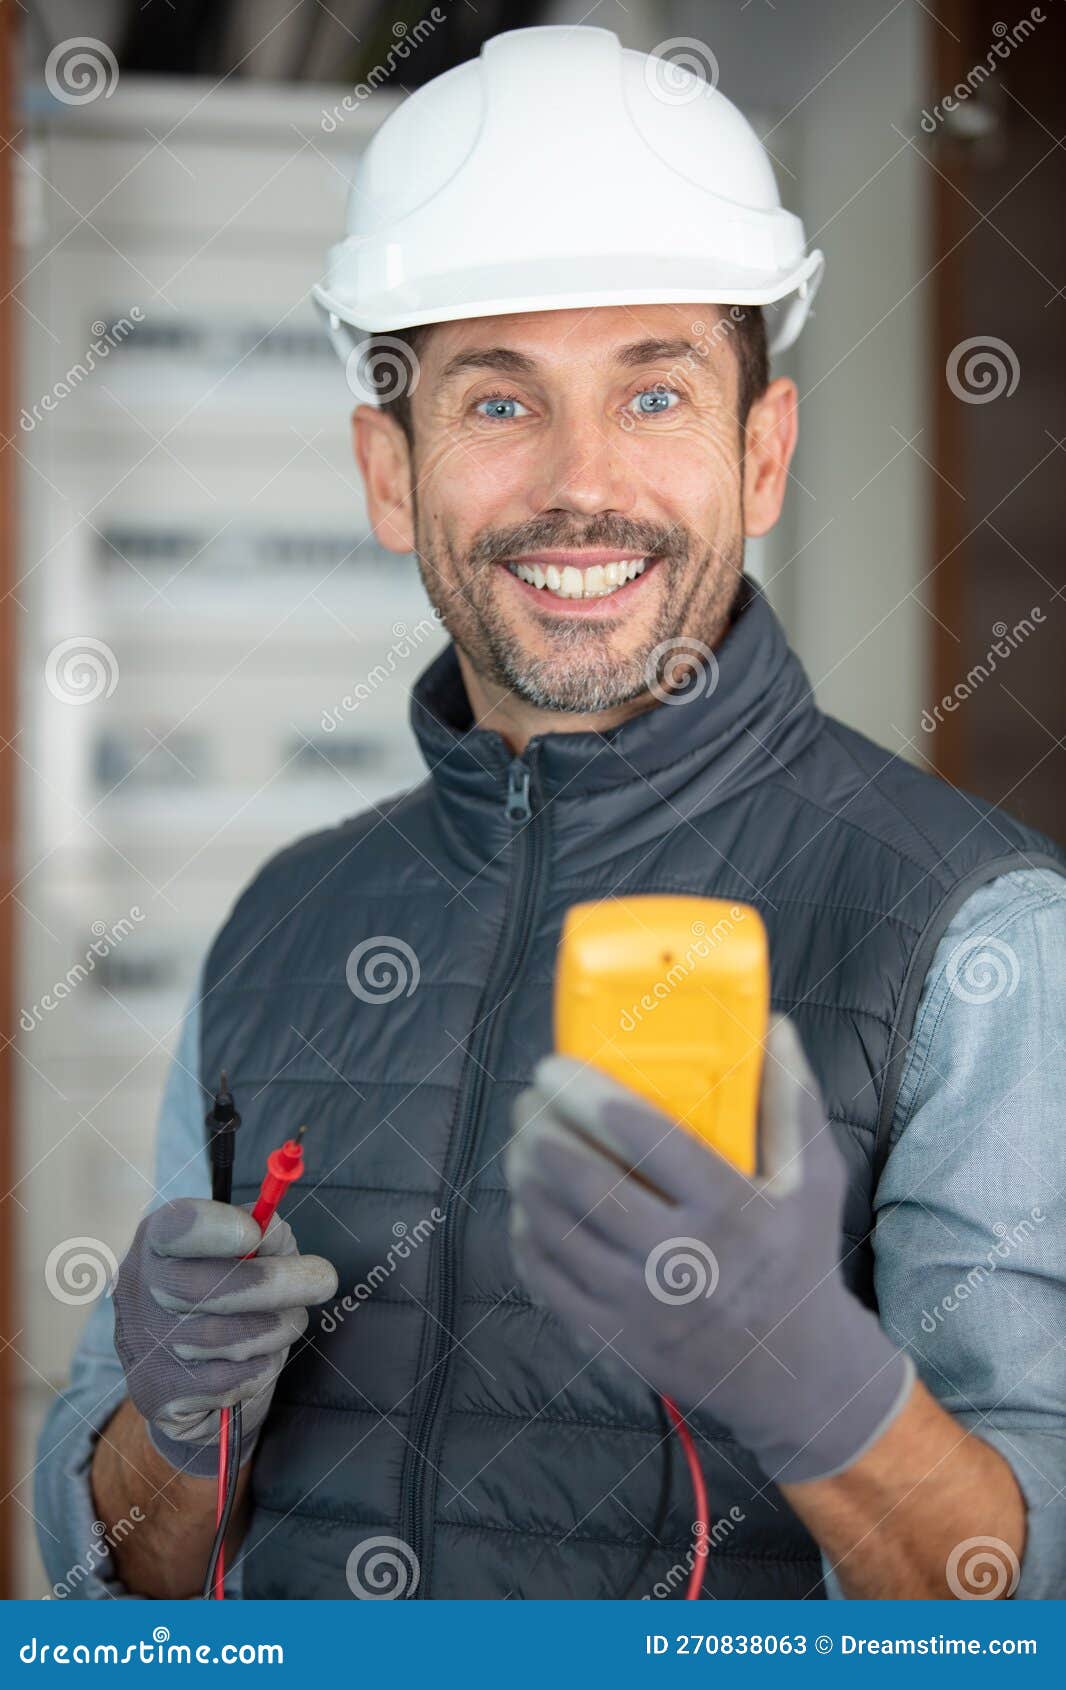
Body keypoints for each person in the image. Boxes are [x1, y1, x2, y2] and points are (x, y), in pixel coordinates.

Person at [37, 26, 1065, 1601]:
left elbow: (1029, 1593)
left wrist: (825, 1392)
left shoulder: (972, 931)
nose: (581, 484)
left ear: (762, 453)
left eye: (653, 392)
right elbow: (115, 1580)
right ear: (391, 472)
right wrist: (173, 1434)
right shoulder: (285, 924)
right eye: (498, 403)